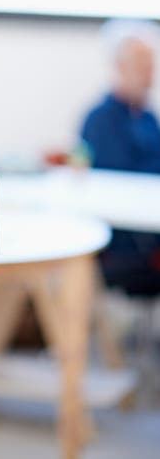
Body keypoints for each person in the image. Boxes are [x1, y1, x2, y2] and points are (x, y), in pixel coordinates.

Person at [80, 20, 160, 296]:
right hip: (126, 245)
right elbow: (119, 178)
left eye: (151, 66)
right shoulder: (101, 120)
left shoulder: (148, 118)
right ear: (119, 67)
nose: (149, 75)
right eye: (141, 65)